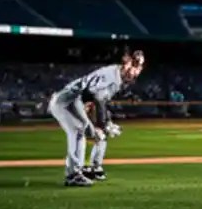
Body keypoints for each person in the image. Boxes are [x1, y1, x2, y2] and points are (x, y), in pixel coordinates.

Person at [48, 51, 144, 187]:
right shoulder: (112, 76)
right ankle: (73, 175)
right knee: (77, 131)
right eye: (134, 65)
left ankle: (85, 170)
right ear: (126, 63)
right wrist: (104, 124)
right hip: (65, 101)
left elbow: (95, 102)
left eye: (138, 67)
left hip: (75, 101)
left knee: (92, 133)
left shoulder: (117, 76)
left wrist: (105, 123)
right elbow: (98, 99)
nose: (135, 71)